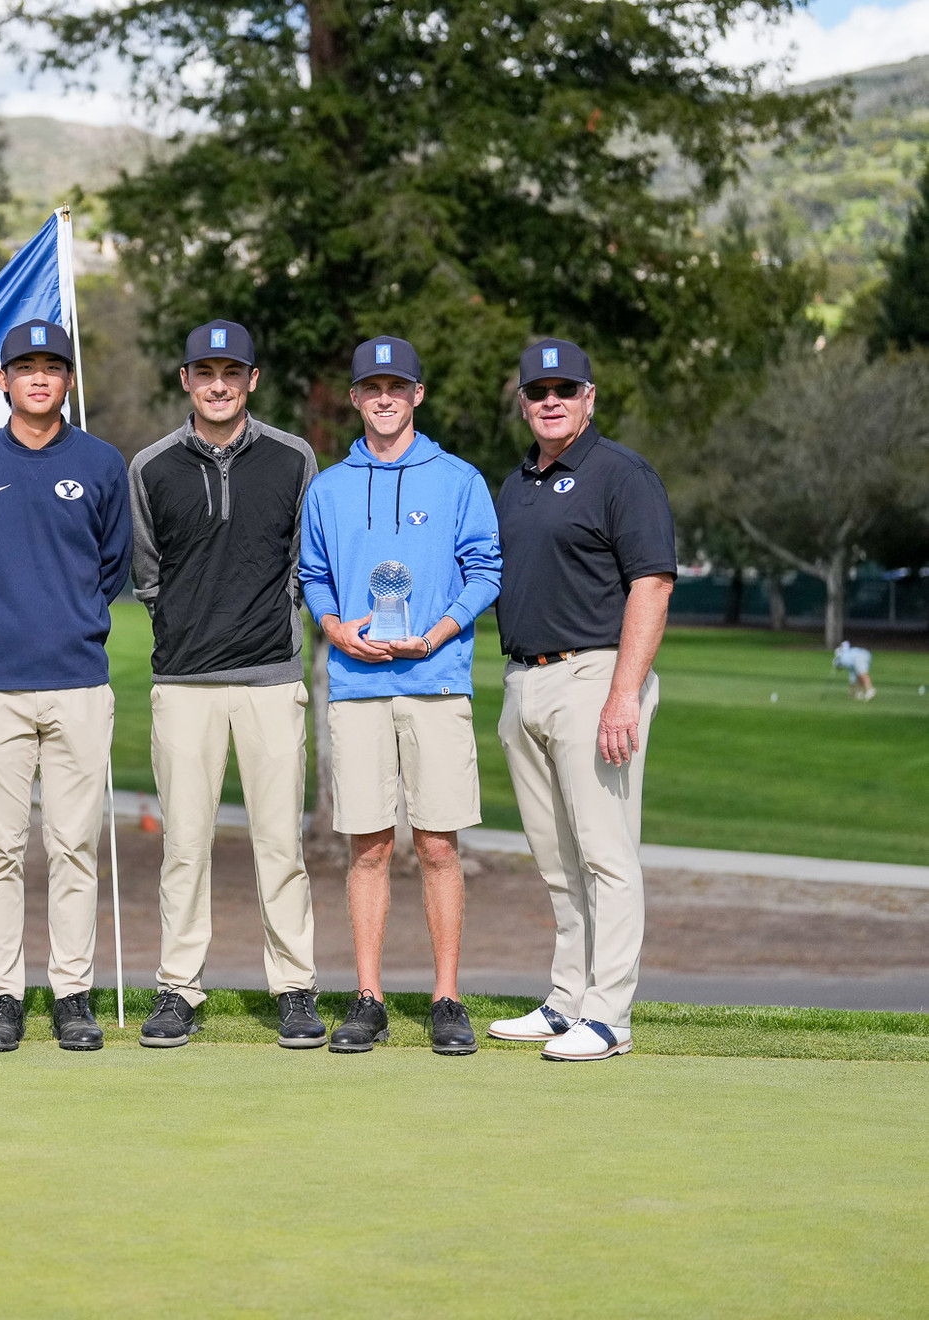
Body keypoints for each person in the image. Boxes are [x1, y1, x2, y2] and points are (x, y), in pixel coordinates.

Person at [295, 336, 501, 1056]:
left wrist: (439, 632)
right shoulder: (329, 488)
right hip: (357, 685)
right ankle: (369, 999)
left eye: (397, 387)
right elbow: (314, 575)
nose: (384, 399)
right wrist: (334, 629)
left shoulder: (459, 479)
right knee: (369, 846)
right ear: (355, 398)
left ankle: (446, 998)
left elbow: (485, 571)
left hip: (435, 679)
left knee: (438, 844)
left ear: (418, 394)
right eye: (372, 388)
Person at [0, 319, 131, 1053]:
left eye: (53, 367)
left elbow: (112, 565)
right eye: (26, 367)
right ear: (4, 381)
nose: (39, 377)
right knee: (0, 848)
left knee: (75, 846)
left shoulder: (102, 463)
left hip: (78, 681)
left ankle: (72, 994)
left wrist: (69, 620)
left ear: (69, 381)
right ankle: (4, 996)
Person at [128, 320, 324, 1049]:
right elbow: (148, 574)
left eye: (231, 373)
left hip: (270, 677)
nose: (218, 385)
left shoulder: (293, 458)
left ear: (252, 380)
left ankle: (295, 987)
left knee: (281, 844)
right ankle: (178, 988)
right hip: (184, 681)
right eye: (205, 373)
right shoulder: (150, 466)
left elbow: (303, 562)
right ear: (185, 380)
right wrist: (186, 625)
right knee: (185, 846)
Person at [486, 339, 676, 1062]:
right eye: (538, 392)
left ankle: (611, 1015)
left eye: (565, 390)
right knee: (557, 859)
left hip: (595, 678)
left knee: (606, 854)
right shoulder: (516, 483)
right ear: (523, 403)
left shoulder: (622, 474)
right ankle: (568, 1000)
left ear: (589, 398)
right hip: (523, 681)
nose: (551, 402)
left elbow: (652, 583)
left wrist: (624, 695)